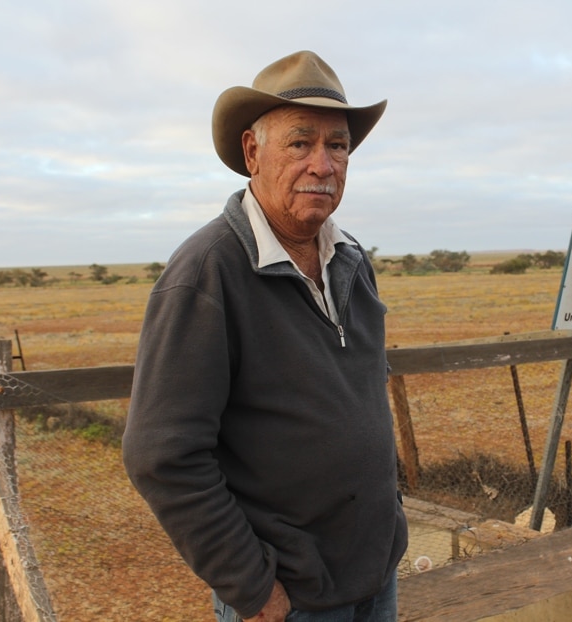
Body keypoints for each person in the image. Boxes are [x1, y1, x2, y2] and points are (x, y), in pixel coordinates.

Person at [122, 50, 408, 622]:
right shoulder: (208, 272)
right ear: (253, 153)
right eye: (300, 144)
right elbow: (163, 455)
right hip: (290, 596)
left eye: (338, 146)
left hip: (374, 578)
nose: (323, 165)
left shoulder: (350, 258)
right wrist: (252, 588)